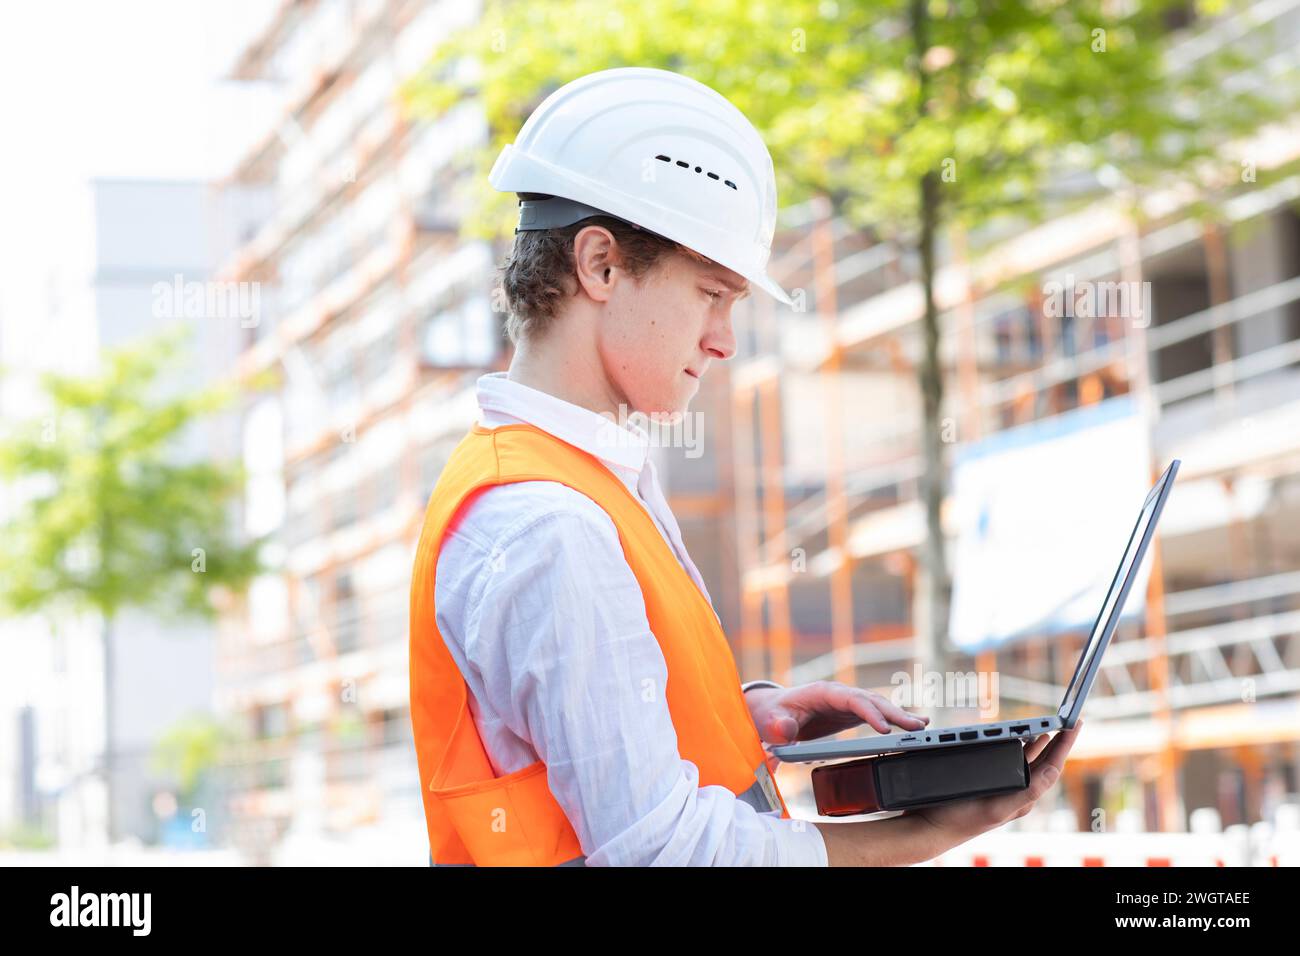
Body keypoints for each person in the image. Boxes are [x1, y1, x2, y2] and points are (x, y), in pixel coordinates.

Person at [408, 67, 1081, 866]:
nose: (724, 339)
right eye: (710, 294)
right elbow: (666, 853)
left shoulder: (564, 482)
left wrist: (741, 714)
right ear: (600, 265)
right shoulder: (550, 525)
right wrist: (921, 834)